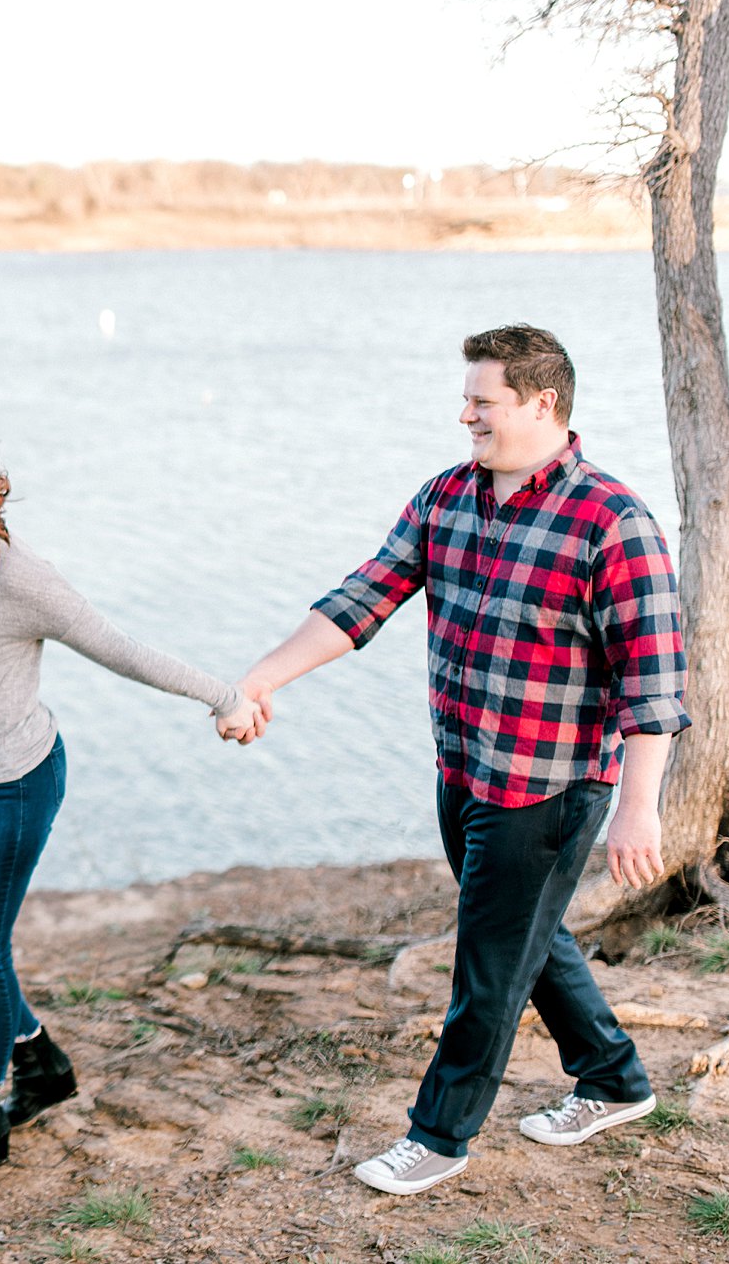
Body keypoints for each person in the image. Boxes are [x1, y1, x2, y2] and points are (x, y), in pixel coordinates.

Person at [225, 325, 687, 1195]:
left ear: (542, 403)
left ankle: (439, 1134)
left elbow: (652, 680)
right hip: (463, 770)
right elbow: (365, 596)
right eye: (466, 399)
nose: (466, 414)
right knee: (526, 935)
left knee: (487, 963)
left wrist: (639, 804)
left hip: (549, 788)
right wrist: (261, 677)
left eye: (483, 401)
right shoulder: (445, 496)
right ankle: (615, 1078)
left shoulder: (613, 522)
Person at [0, 414, 263, 1187]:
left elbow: (122, 649)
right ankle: (40, 1059)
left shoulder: (20, 580)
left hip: (7, 783)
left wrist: (225, 696)